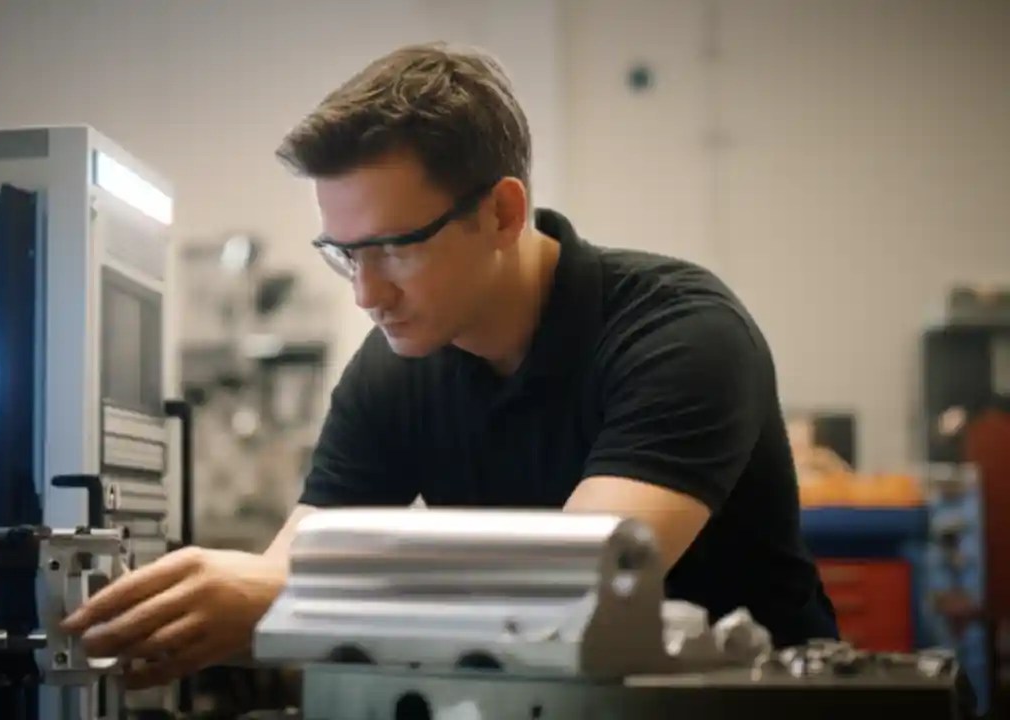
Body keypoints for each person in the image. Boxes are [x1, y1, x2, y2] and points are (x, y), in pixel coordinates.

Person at [61, 41, 839, 689]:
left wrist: (287, 593)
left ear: (502, 213)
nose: (366, 293)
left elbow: (585, 593)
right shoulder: (393, 368)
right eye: (344, 253)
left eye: (396, 248)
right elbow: (293, 574)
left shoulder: (681, 337)